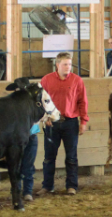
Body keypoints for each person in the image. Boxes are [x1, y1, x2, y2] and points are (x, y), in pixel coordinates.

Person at [37, 52, 88, 196]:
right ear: (57, 65)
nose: (68, 67)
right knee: (49, 157)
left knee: (71, 156)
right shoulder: (46, 80)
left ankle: (71, 186)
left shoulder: (77, 81)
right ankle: (47, 186)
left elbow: (82, 102)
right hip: (51, 123)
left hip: (70, 122)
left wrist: (83, 121)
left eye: (70, 64)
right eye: (65, 64)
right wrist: (44, 117)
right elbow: (40, 101)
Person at [20, 122, 40, 202]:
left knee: (28, 165)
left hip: (32, 134)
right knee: (17, 165)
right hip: (18, 135)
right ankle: (16, 191)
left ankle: (27, 192)